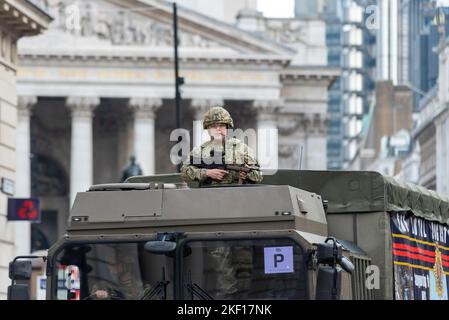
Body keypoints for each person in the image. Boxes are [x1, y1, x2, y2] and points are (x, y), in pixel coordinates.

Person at [181, 106, 262, 185]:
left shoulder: (241, 148)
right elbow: (184, 173)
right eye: (213, 126)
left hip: (236, 193)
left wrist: (246, 175)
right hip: (207, 194)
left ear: (227, 128)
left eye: (222, 126)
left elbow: (258, 174)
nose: (218, 129)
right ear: (208, 129)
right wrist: (206, 173)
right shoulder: (199, 151)